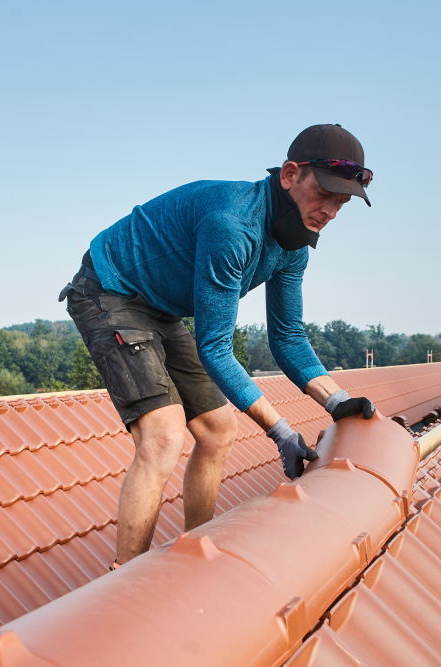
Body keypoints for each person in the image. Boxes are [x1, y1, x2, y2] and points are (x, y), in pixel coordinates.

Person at [60, 124, 376, 568]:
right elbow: (215, 348)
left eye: (341, 202)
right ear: (289, 175)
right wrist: (280, 430)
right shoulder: (232, 225)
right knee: (164, 435)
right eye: (325, 193)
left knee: (218, 430)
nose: (331, 211)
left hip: (162, 308)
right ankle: (124, 580)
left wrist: (337, 400)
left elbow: (287, 336)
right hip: (111, 290)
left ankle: (195, 556)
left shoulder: (294, 245)